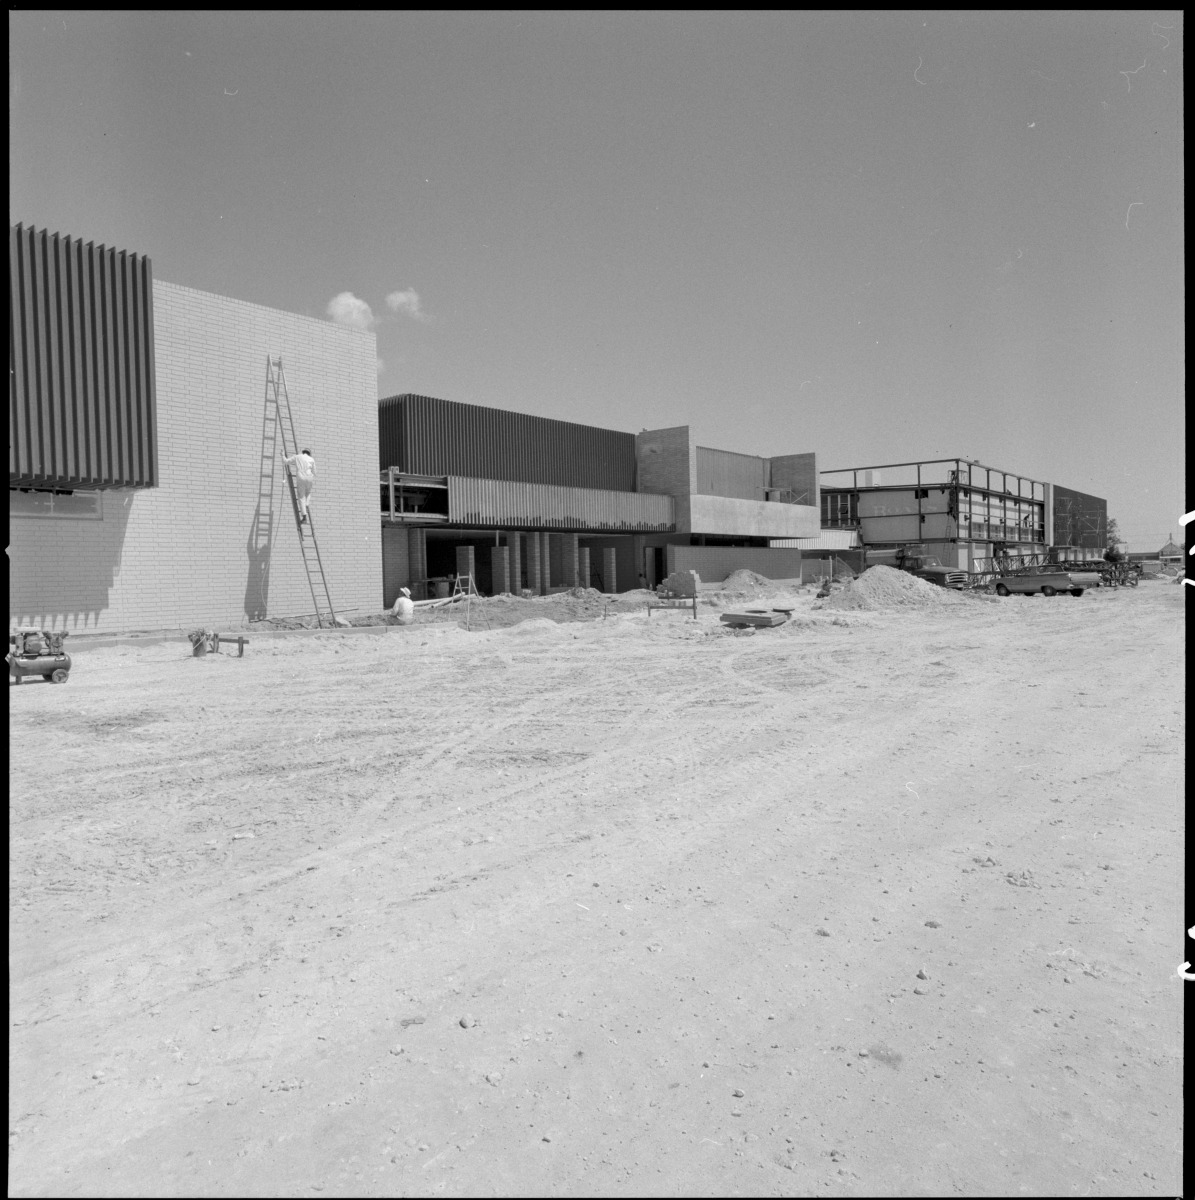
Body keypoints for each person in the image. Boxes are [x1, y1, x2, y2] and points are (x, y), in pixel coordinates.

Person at [282, 447, 316, 523]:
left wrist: (282, 455)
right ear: (309, 453)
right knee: (308, 492)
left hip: (301, 477)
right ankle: (307, 504)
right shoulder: (311, 459)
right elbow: (315, 472)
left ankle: (304, 517)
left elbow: (286, 461)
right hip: (310, 477)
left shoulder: (297, 456)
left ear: (303, 452)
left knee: (301, 497)